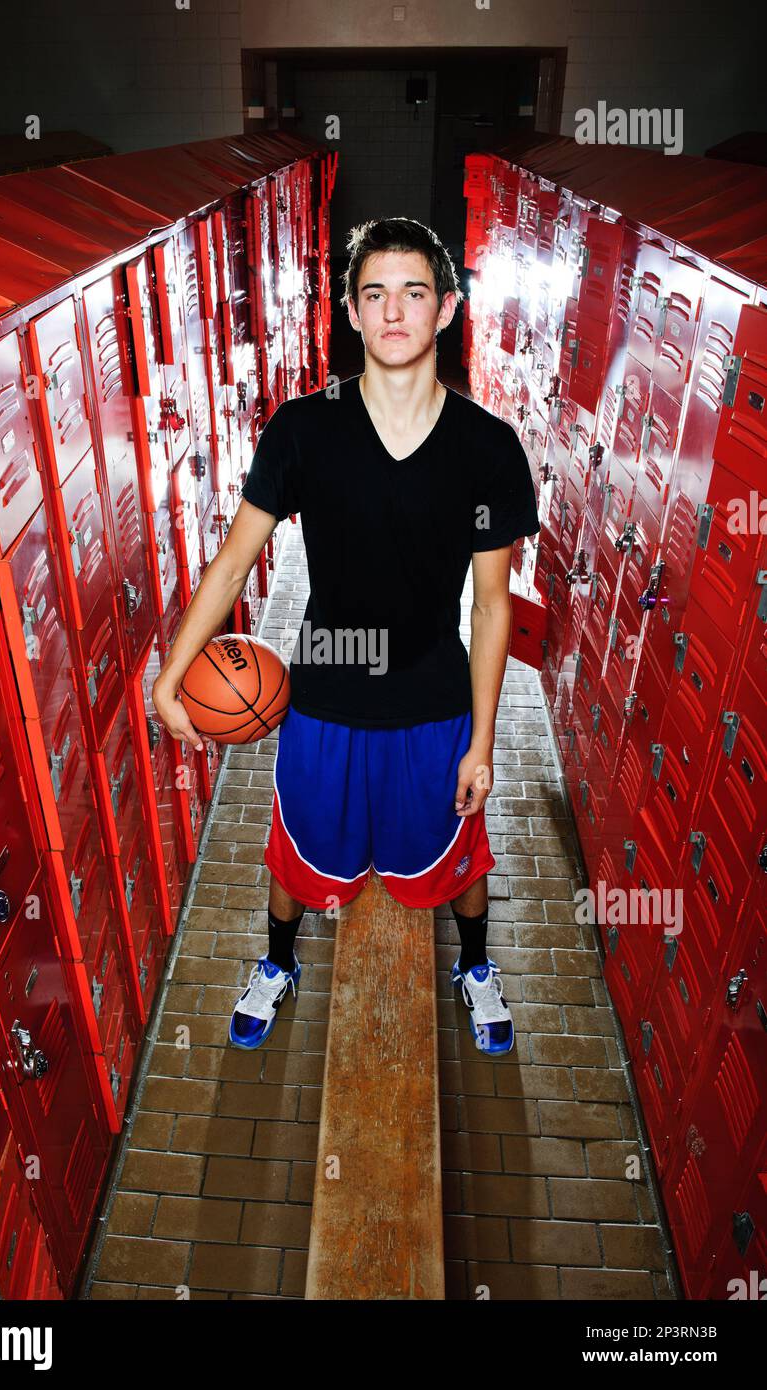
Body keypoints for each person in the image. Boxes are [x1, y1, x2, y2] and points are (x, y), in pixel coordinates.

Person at [153, 217, 539, 1058]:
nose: (394, 312)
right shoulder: (303, 429)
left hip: (433, 694)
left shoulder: (488, 448)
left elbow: (494, 606)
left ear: (447, 309)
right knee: (297, 855)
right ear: (351, 312)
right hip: (324, 690)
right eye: (375, 294)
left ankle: (475, 966)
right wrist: (170, 675)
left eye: (414, 292)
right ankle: (278, 960)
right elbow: (229, 565)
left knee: (457, 857)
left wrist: (482, 743)